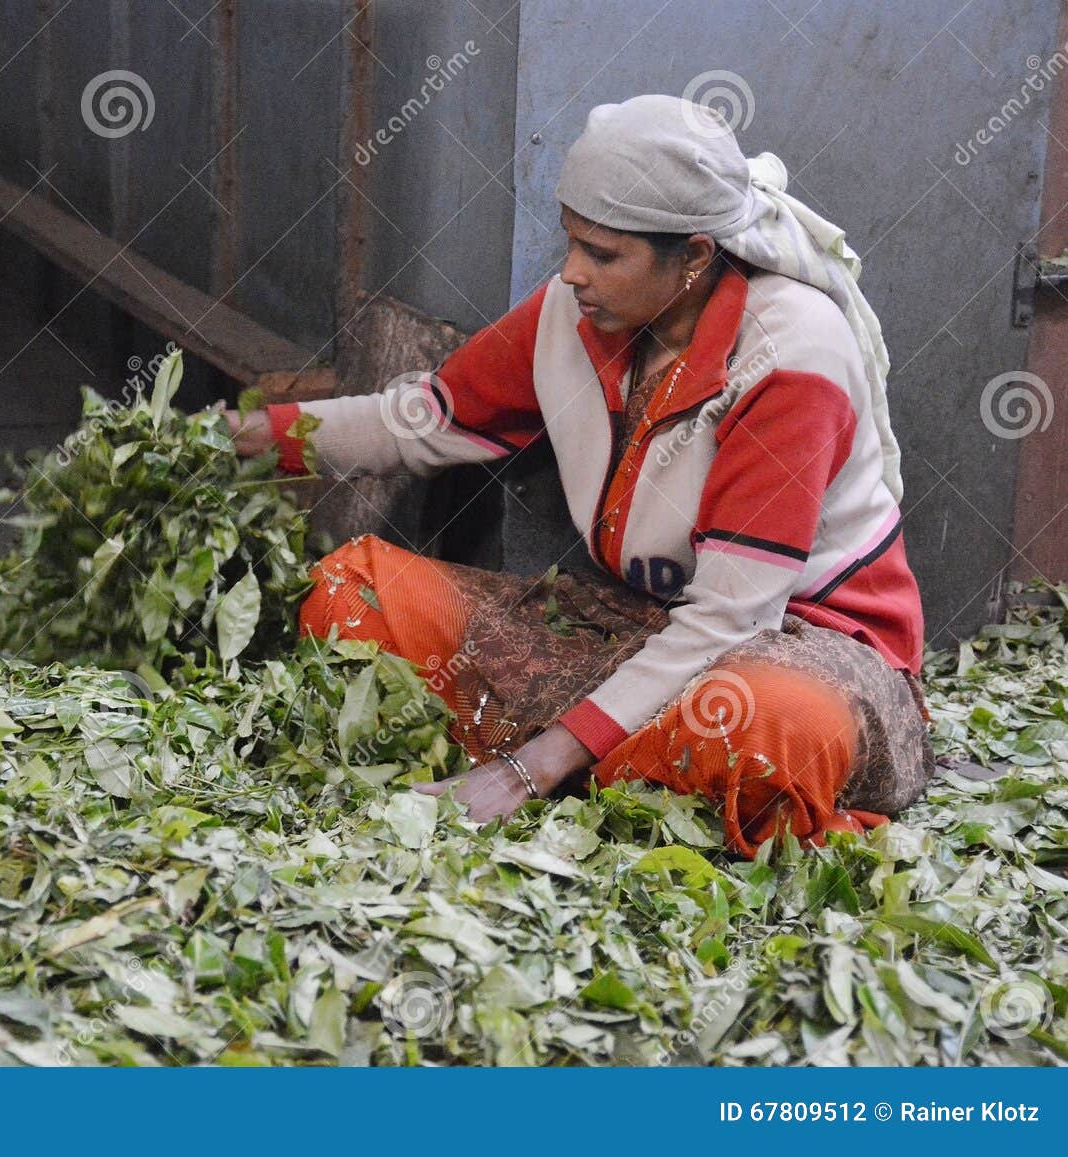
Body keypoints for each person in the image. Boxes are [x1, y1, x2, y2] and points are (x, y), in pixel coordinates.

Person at [225, 94, 933, 858]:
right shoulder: (585, 312)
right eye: (571, 242)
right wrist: (251, 437)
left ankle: (568, 769)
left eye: (603, 254)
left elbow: (731, 619)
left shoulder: (791, 359)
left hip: (800, 644)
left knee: (766, 729)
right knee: (350, 594)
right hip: (639, 626)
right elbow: (429, 417)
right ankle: (625, 774)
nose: (571, 273)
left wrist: (524, 771)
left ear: (694, 257)